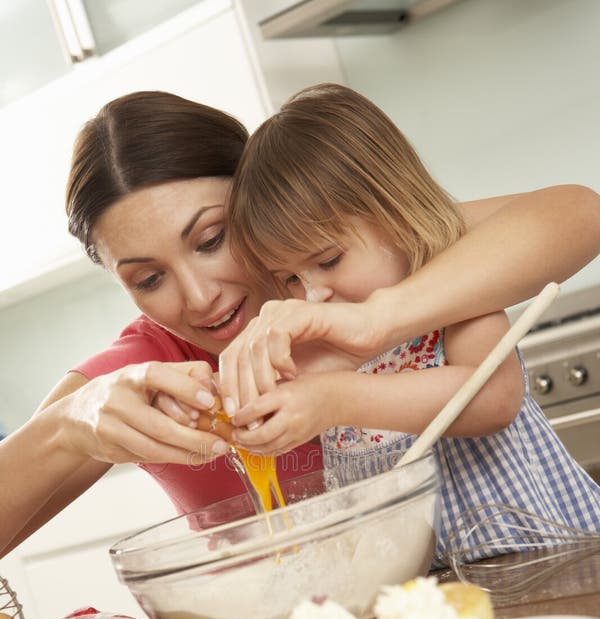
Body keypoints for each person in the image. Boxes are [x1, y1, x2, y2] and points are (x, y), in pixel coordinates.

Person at [1, 89, 599, 563]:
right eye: (147, 279)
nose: (200, 297)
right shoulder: (147, 369)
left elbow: (578, 213)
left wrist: (374, 322)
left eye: (213, 239)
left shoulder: (384, 257)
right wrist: (69, 424)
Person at [217, 83, 600, 566]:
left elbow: (494, 400)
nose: (313, 293)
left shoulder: (454, 286)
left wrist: (335, 398)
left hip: (535, 566)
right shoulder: (319, 331)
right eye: (290, 278)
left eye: (329, 260)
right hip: (424, 592)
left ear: (395, 210)